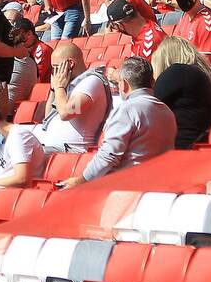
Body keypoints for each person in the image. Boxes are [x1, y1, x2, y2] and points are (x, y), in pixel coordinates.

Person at [58, 58, 177, 187]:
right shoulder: (167, 111)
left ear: (124, 84)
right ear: (152, 82)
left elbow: (108, 156)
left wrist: (80, 181)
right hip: (159, 184)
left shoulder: (127, 109)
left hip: (126, 187)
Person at [30, 42, 113, 152]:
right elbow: (48, 116)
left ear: (70, 64)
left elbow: (66, 113)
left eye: (56, 67)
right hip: (54, 148)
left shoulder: (92, 81)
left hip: (73, 151)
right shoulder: (68, 86)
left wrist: (59, 87)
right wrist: (54, 89)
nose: (54, 73)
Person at [151, 37, 211, 149]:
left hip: (182, 147)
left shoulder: (178, 72)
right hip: (196, 144)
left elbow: (149, 104)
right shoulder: (199, 74)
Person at [168, 0, 211, 65]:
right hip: (185, 68)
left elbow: (205, 61)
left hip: (205, 72)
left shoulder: (207, 22)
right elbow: (175, 48)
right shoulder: (185, 17)